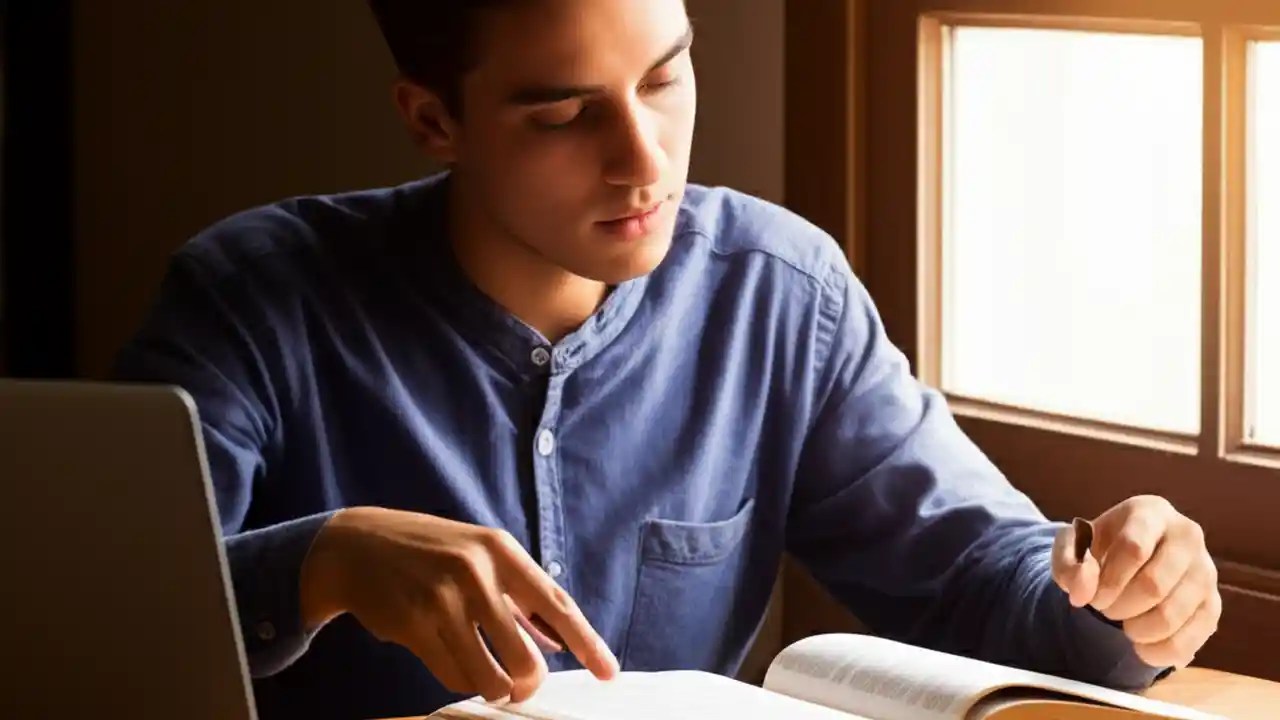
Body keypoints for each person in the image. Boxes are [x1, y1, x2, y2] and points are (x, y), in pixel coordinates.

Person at [113, 1, 1222, 718]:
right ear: (432, 120)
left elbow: (983, 578)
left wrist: (1125, 597)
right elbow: (85, 630)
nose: (643, 162)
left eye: (663, 77)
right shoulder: (255, 297)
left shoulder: (776, 294)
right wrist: (323, 563)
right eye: (562, 113)